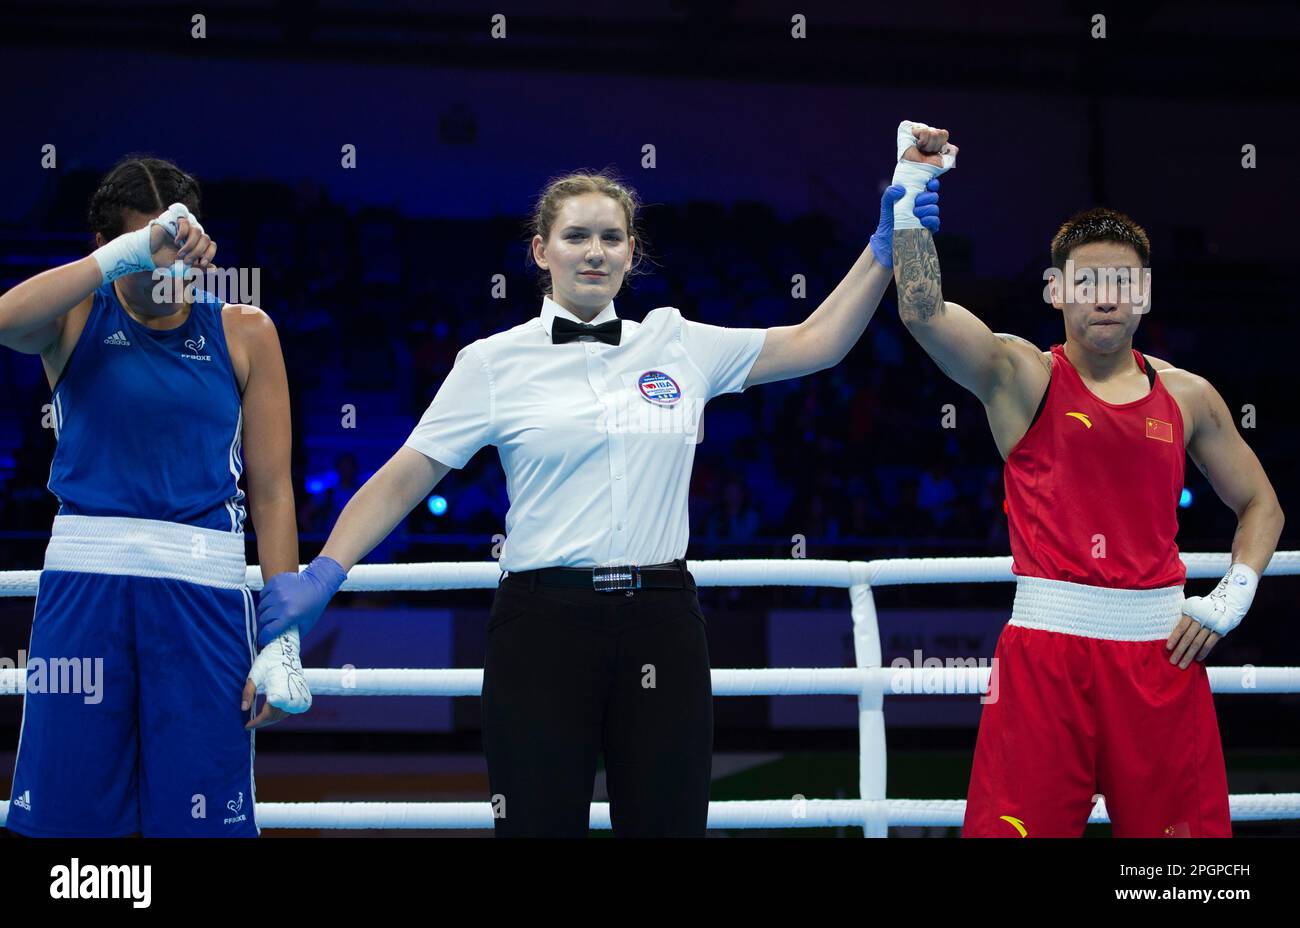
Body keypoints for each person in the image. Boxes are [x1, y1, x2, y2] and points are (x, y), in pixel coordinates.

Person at [255, 151, 945, 837]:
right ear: (540, 250)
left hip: (664, 621)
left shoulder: (679, 344)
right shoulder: (493, 362)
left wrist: (882, 248)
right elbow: (407, 475)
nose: (594, 252)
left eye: (610, 237)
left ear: (631, 252)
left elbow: (817, 342)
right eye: (576, 236)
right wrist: (326, 571)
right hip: (542, 625)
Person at [888, 122, 1285, 837]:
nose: (1105, 296)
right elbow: (921, 312)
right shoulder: (1020, 376)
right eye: (1088, 281)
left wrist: (1232, 595)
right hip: (1045, 655)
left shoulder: (1190, 396)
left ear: (1144, 295)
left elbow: (1261, 502)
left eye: (1122, 282)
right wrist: (911, 194)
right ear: (1055, 292)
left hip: (1163, 658)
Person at [0, 157, 308, 837]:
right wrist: (122, 257)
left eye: (183, 250)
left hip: (203, 596)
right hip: (85, 591)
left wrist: (283, 634)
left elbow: (272, 490)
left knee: (200, 818)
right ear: (113, 250)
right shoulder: (76, 315)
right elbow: (3, 320)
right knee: (67, 823)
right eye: (154, 253)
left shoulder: (244, 330)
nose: (172, 269)